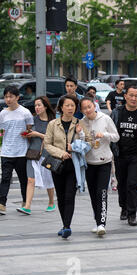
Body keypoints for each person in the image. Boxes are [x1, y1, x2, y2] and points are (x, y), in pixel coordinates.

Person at [44, 95, 92, 239]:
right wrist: (61, 153)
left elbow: (88, 143)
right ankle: (64, 223)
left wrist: (75, 146)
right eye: (67, 105)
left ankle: (67, 226)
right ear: (61, 108)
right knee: (61, 196)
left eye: (73, 105)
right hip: (57, 164)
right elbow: (47, 144)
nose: (70, 108)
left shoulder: (79, 123)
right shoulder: (53, 124)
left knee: (70, 196)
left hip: (73, 165)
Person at [111, 86, 137, 226]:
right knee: (121, 183)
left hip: (136, 155)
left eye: (136, 96)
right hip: (120, 154)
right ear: (126, 96)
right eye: (131, 95)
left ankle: (132, 214)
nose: (134, 98)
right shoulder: (117, 112)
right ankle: (123, 207)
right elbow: (111, 132)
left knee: (132, 184)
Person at [80, 97, 119, 236]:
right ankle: (97, 221)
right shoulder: (82, 123)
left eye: (89, 106)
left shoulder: (105, 118)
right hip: (89, 162)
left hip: (104, 161)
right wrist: (80, 136)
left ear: (94, 106)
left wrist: (105, 135)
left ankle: (102, 223)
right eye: (84, 108)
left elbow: (116, 136)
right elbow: (80, 141)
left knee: (101, 192)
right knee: (92, 194)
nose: (87, 110)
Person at [16, 97, 56, 215]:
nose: (37, 108)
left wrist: (37, 134)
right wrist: (26, 135)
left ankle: (51, 202)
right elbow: (29, 133)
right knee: (30, 180)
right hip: (33, 153)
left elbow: (53, 138)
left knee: (49, 180)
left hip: (48, 154)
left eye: (39, 105)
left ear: (45, 106)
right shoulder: (32, 120)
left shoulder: (52, 122)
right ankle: (27, 206)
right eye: (35, 105)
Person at [0, 86, 34, 216]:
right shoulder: (2, 114)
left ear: (17, 97)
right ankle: (2, 204)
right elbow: (0, 133)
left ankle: (26, 202)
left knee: (23, 179)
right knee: (5, 178)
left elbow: (29, 130)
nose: (8, 99)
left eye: (11, 96)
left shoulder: (25, 113)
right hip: (6, 152)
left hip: (21, 152)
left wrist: (27, 135)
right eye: (6, 96)